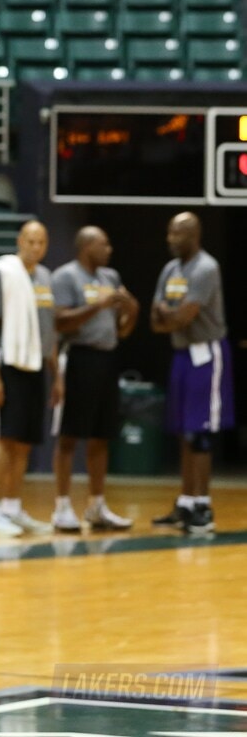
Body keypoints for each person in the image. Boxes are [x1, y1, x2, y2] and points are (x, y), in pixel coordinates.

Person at [0, 221, 61, 538]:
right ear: (19, 242)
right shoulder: (3, 273)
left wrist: (57, 375)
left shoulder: (46, 278)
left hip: (36, 365)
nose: (35, 247)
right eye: (30, 241)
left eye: (41, 242)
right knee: (3, 439)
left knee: (23, 442)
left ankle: (11, 508)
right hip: (8, 364)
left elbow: (49, 331)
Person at [50, 226, 137, 533]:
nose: (109, 249)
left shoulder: (110, 278)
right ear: (87, 247)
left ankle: (96, 505)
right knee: (70, 435)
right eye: (104, 243)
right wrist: (98, 305)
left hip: (107, 358)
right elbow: (60, 321)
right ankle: (62, 506)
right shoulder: (65, 276)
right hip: (78, 358)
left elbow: (121, 329)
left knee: (102, 435)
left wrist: (131, 310)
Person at [149, 212, 231, 535]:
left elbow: (185, 316)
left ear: (194, 235)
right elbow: (158, 321)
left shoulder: (206, 268)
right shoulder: (171, 270)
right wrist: (171, 316)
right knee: (184, 430)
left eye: (176, 234)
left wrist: (170, 315)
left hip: (206, 353)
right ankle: (185, 502)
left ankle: (202, 506)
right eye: (169, 233)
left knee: (200, 432)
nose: (170, 239)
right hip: (182, 353)